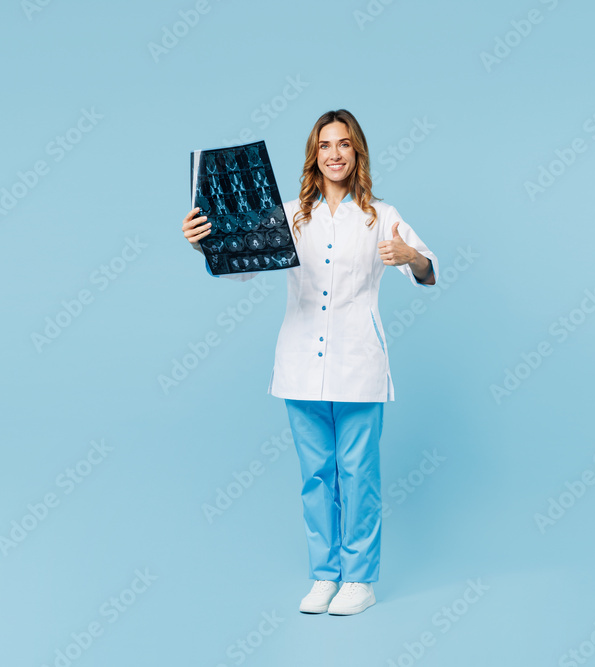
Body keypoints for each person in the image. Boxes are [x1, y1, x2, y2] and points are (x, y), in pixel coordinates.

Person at [182, 109, 439, 615]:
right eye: (325, 145)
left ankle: (359, 580)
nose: (334, 154)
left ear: (357, 152)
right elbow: (240, 268)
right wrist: (203, 243)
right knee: (316, 475)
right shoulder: (290, 215)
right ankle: (324, 575)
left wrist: (409, 256)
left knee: (358, 474)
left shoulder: (381, 214)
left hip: (359, 364)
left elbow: (428, 271)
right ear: (313, 155)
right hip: (300, 362)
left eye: (344, 144)